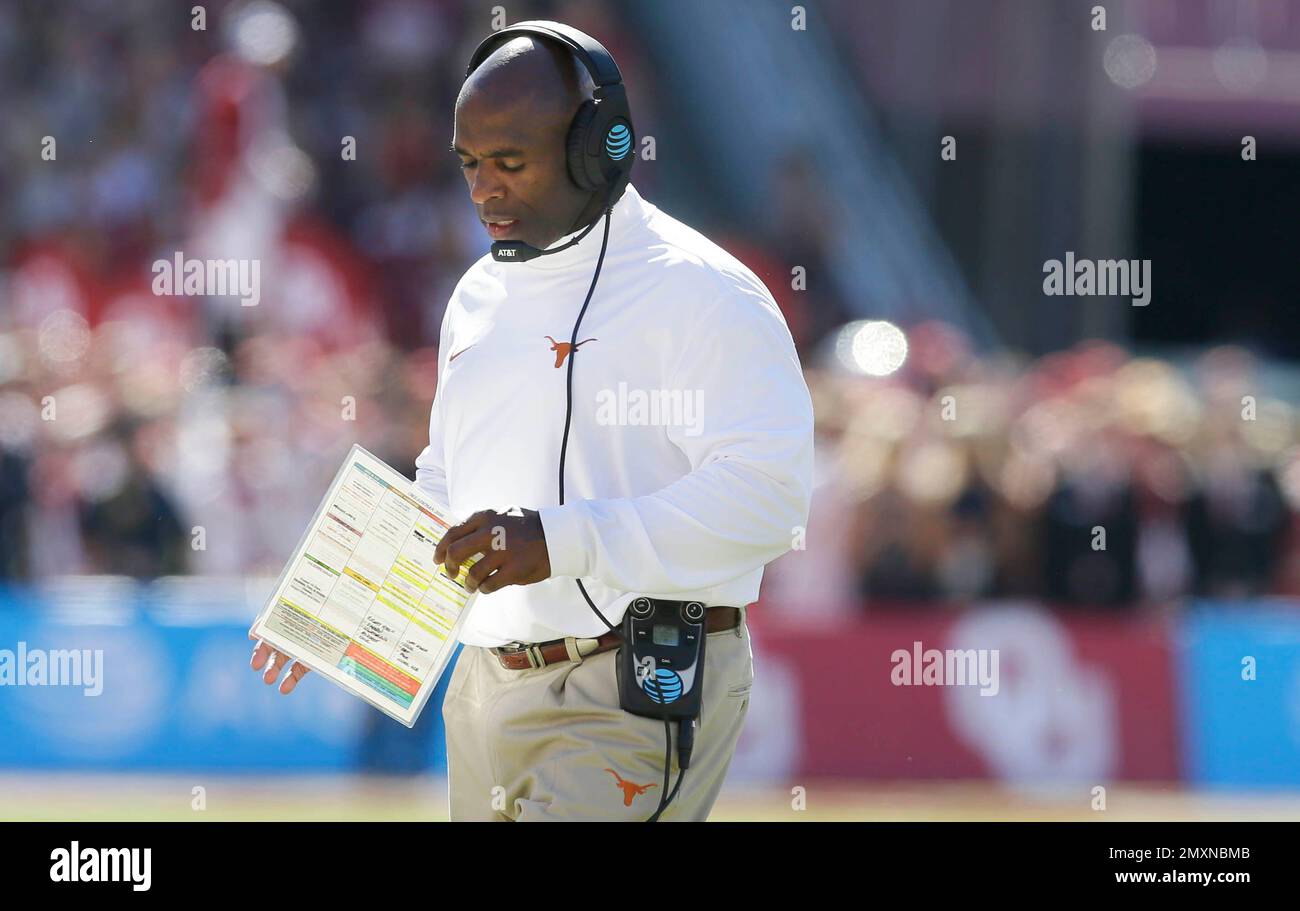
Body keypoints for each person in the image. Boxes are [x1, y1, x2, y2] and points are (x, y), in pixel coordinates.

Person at [251, 20, 813, 822]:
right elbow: (449, 478)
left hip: (635, 682)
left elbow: (770, 500)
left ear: (599, 146)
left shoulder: (709, 293)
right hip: (484, 688)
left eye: (509, 163)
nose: (483, 190)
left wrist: (561, 538)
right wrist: (347, 599)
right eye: (471, 165)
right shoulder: (476, 294)